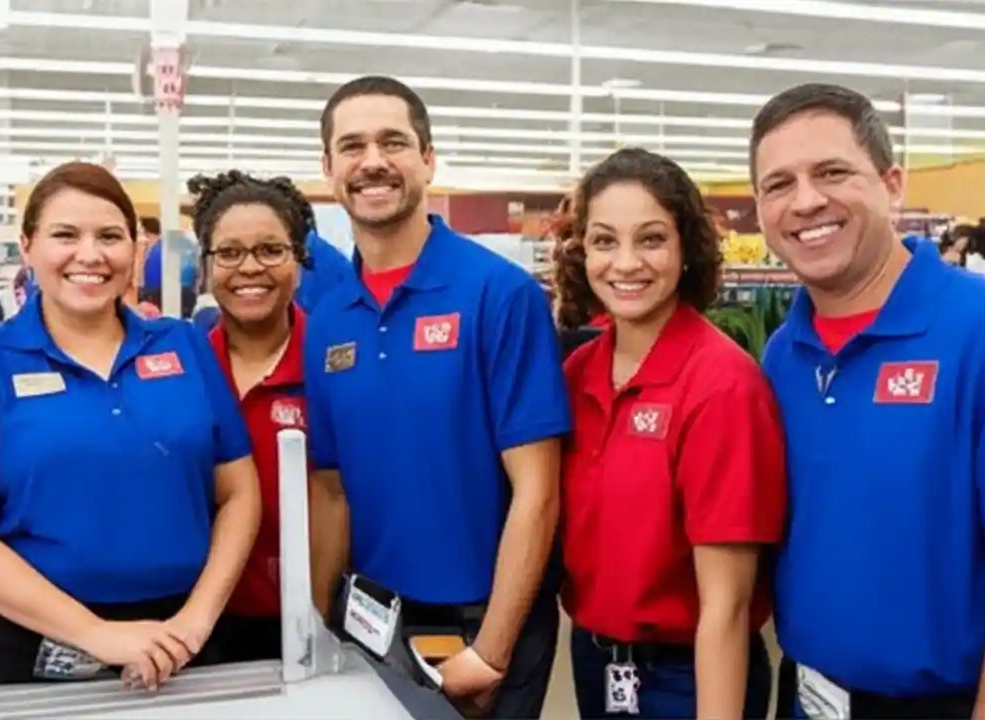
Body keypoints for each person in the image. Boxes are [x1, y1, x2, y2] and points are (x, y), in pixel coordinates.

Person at [0, 161, 261, 691]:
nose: (90, 254)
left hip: (180, 641)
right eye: (65, 235)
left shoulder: (184, 346)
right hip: (24, 649)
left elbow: (239, 494)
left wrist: (196, 621)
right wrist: (95, 633)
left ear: (136, 248)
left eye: (109, 236)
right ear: (27, 247)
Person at [304, 75, 568, 718]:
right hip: (375, 625)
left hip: (484, 625)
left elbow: (538, 490)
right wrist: (318, 628)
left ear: (427, 158)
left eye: (393, 142)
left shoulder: (499, 295)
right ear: (329, 167)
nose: (373, 161)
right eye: (353, 146)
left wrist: (494, 650)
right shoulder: (328, 316)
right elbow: (332, 491)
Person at [753, 83, 985, 719]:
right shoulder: (782, 353)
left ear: (892, 183)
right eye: (778, 184)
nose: (806, 201)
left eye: (832, 172)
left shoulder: (982, 332)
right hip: (808, 695)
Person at [553, 147, 786, 719]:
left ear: (686, 250)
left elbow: (726, 608)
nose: (625, 262)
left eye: (651, 239)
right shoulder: (579, 373)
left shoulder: (722, 385)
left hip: (688, 676)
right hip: (598, 659)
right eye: (605, 241)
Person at [187, 169, 314, 661]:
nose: (249, 268)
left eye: (270, 250)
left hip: (316, 616)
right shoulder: (181, 371)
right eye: (229, 252)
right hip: (199, 618)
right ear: (205, 265)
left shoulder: (335, 364)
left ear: (298, 261)